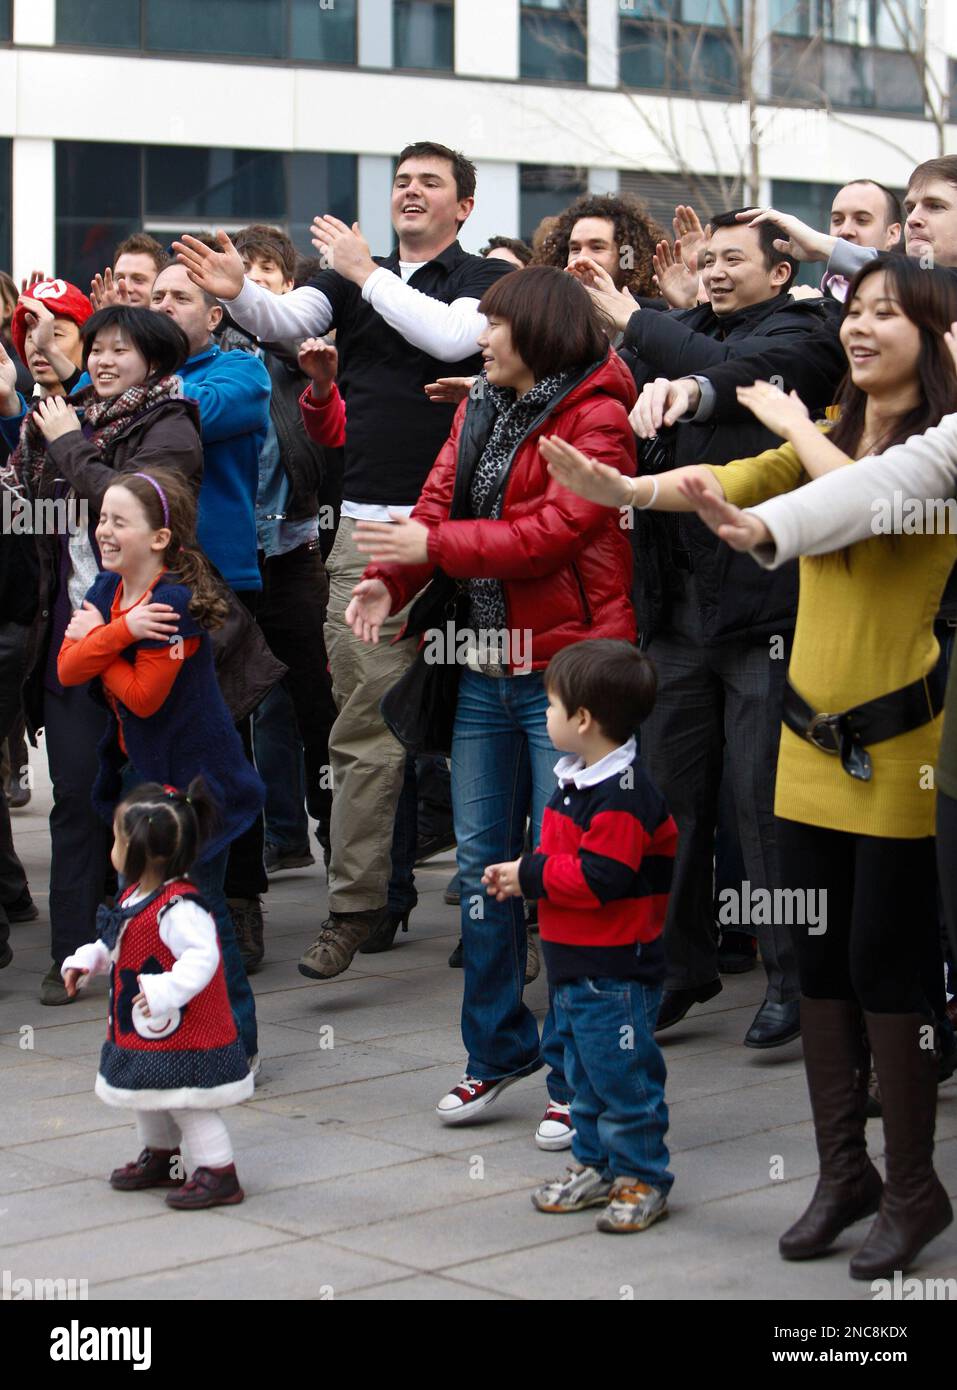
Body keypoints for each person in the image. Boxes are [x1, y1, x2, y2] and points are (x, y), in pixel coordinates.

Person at [544, 253, 957, 1278]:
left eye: (886, 316)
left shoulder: (936, 450)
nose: (859, 331)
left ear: (938, 337)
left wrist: (790, 450)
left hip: (897, 749)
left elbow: (856, 502)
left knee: (886, 970)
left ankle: (913, 1183)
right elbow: (732, 481)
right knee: (819, 966)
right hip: (809, 740)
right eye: (853, 313)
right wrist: (622, 485)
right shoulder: (833, 427)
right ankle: (841, 1173)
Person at [175, 140, 512, 969]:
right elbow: (289, 323)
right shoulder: (349, 280)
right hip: (369, 529)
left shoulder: (481, 283)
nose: (410, 192)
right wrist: (242, 295)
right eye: (401, 181)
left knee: (497, 718)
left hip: (472, 529)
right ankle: (359, 903)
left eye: (429, 183)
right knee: (364, 722)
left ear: (463, 207)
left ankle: (499, 915)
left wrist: (366, 273)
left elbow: (445, 339)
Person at [348, 266, 637, 1148]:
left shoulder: (600, 417)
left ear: (538, 331)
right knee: (480, 871)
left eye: (492, 324)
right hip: (481, 667)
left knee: (563, 875)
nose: (479, 336)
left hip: (566, 678)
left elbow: (551, 535)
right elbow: (435, 506)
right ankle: (494, 1048)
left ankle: (574, 1073)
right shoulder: (478, 404)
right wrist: (385, 579)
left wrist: (430, 544)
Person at [575, 210, 831, 1048]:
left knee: (759, 806)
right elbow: (623, 374)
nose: (716, 272)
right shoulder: (677, 325)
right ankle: (678, 969)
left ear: (780, 273)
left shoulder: (804, 329)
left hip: (763, 613)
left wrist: (648, 323)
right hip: (673, 613)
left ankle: (793, 979)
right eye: (707, 260)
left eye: (734, 260)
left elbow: (731, 374)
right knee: (667, 802)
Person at [0, 305, 203, 1005]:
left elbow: (127, 507)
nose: (107, 361)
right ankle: (71, 954)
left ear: (154, 360)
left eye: (123, 350)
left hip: (147, 634)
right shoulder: (71, 417)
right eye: (101, 349)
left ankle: (161, 952)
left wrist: (64, 444)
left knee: (150, 800)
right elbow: (29, 511)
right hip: (73, 636)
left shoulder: (172, 424)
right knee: (75, 800)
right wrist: (26, 423)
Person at [57, 467, 264, 1065]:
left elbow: (144, 696)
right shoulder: (107, 592)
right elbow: (67, 670)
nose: (104, 531)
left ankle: (238, 1043)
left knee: (203, 912)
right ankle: (160, 1035)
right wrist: (120, 631)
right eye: (101, 519)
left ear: (159, 539)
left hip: (199, 790)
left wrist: (103, 644)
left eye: (119, 521)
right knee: (138, 913)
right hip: (141, 785)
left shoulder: (175, 602)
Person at [484, 639, 677, 1233]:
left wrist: (530, 876)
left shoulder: (621, 797)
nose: (544, 715)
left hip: (614, 974)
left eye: (550, 705)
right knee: (584, 1080)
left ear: (584, 720)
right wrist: (528, 877)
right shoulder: (579, 782)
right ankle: (595, 1166)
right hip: (578, 970)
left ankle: (643, 1176)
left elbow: (604, 877)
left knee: (625, 1080)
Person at [147, 260, 272, 954]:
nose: (163, 306)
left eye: (179, 297)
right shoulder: (129, 375)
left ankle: (237, 898)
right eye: (155, 296)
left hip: (215, 587)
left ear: (214, 315)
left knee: (224, 747)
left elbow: (188, 420)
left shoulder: (240, 374)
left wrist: (128, 383)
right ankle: (153, 891)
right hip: (138, 586)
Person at [61, 778, 253, 1210]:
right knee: (146, 1097)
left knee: (189, 1103)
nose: (112, 846)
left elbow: (204, 959)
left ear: (150, 851)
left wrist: (166, 989)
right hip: (145, 1029)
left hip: (185, 1032)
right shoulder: (134, 895)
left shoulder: (180, 907)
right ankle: (162, 1157)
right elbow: (115, 941)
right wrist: (87, 959)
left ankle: (218, 1172)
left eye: (118, 838)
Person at [227, 223, 337, 959]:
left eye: (272, 272)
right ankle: (241, 899)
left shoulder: (308, 365)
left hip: (296, 561)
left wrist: (322, 387)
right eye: (245, 272)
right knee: (229, 724)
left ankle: (362, 883)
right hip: (227, 571)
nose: (259, 283)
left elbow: (335, 455)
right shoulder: (210, 367)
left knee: (320, 718)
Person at [532, 192, 663, 297]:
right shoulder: (547, 316)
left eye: (597, 248)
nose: (582, 258)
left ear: (626, 257)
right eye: (575, 249)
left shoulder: (650, 321)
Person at [824, 181, 903, 301]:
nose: (845, 231)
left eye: (861, 220)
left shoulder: (912, 298)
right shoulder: (814, 299)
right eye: (837, 220)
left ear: (892, 234)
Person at [91, 233, 169, 311]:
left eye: (138, 280)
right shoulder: (100, 321)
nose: (126, 287)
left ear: (160, 283)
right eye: (119, 279)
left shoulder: (177, 321)